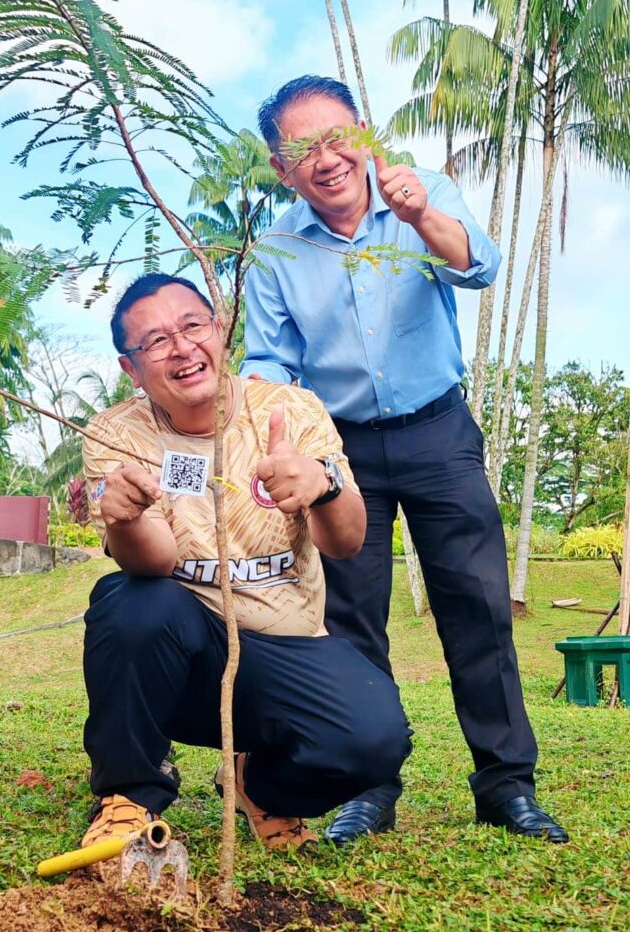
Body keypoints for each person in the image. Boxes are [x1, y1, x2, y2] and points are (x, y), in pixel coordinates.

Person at [243, 75, 568, 845]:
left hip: (437, 433)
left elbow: (477, 266)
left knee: (477, 606)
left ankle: (505, 785)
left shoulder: (421, 193)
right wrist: (264, 426)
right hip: (337, 449)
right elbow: (270, 358)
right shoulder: (276, 249)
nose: (326, 159)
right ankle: (369, 787)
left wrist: (420, 214)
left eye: (336, 138)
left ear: (364, 134)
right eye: (302, 149)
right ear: (280, 167)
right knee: (349, 616)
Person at [77, 272, 412, 855]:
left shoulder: (291, 410)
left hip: (286, 649)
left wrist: (323, 486)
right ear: (131, 368)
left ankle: (258, 784)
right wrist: (126, 518)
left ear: (221, 328)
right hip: (186, 652)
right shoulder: (116, 433)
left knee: (374, 740)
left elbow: (347, 543)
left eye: (192, 326)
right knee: (130, 602)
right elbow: (156, 562)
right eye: (156, 341)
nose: (182, 348)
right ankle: (128, 796)